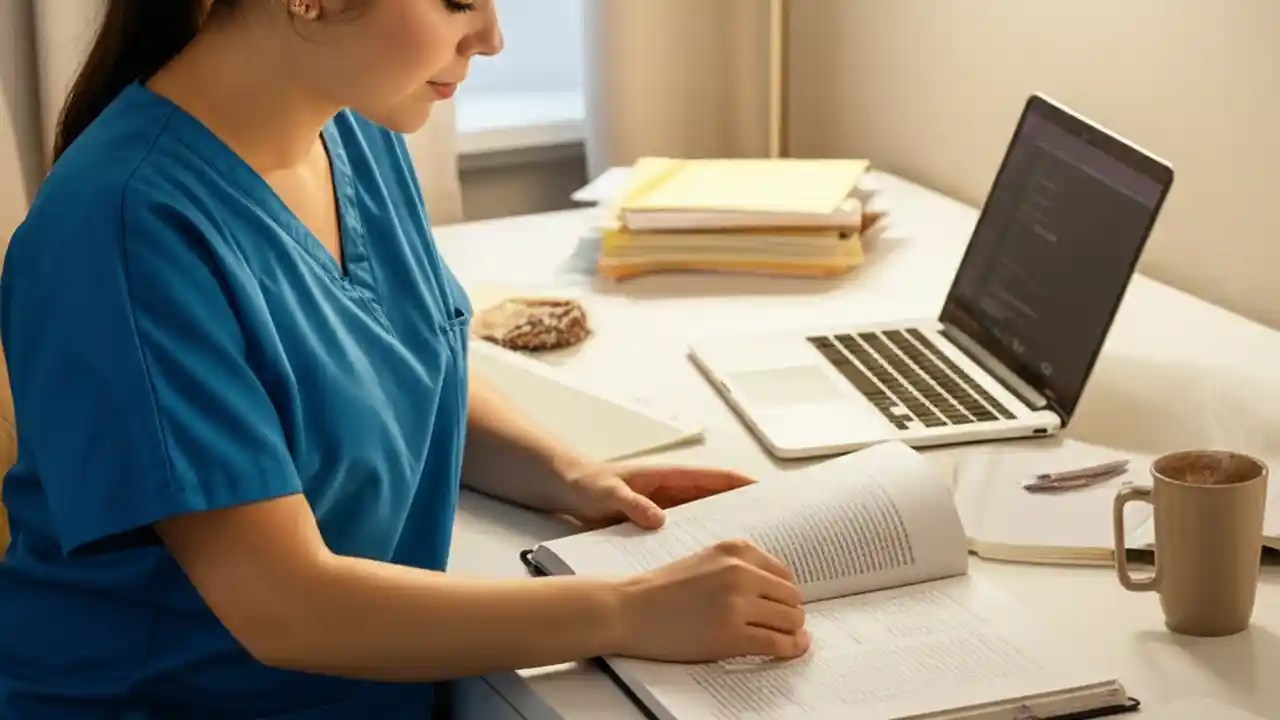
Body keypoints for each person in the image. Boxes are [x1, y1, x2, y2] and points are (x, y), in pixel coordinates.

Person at [0, 1, 810, 718]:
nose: (492, 37)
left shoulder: (347, 125)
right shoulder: (127, 231)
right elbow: (283, 607)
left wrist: (573, 476)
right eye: (458, 2)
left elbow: (408, 356)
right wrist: (627, 611)